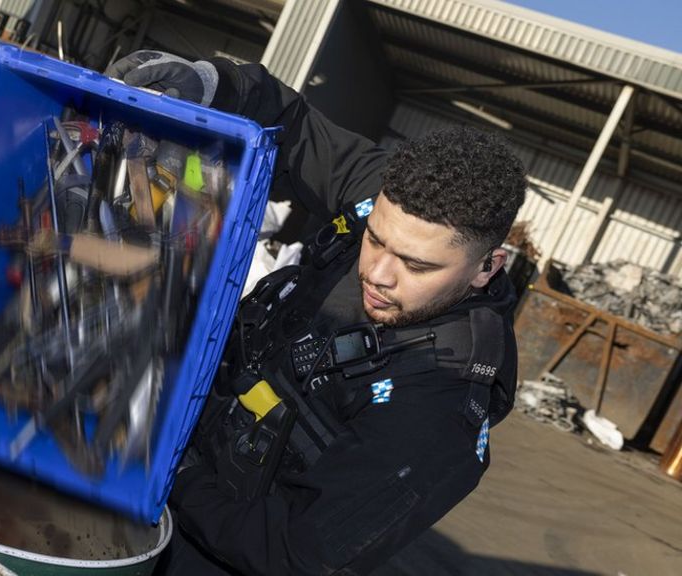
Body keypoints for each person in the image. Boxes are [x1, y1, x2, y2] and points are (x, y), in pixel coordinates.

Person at [107, 51, 528, 575]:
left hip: (212, 546)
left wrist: (172, 470)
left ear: (486, 268)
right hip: (176, 442)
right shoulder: (400, 204)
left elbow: (292, 553)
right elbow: (298, 127)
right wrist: (213, 82)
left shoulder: (437, 410)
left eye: (417, 267)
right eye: (375, 240)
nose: (377, 273)